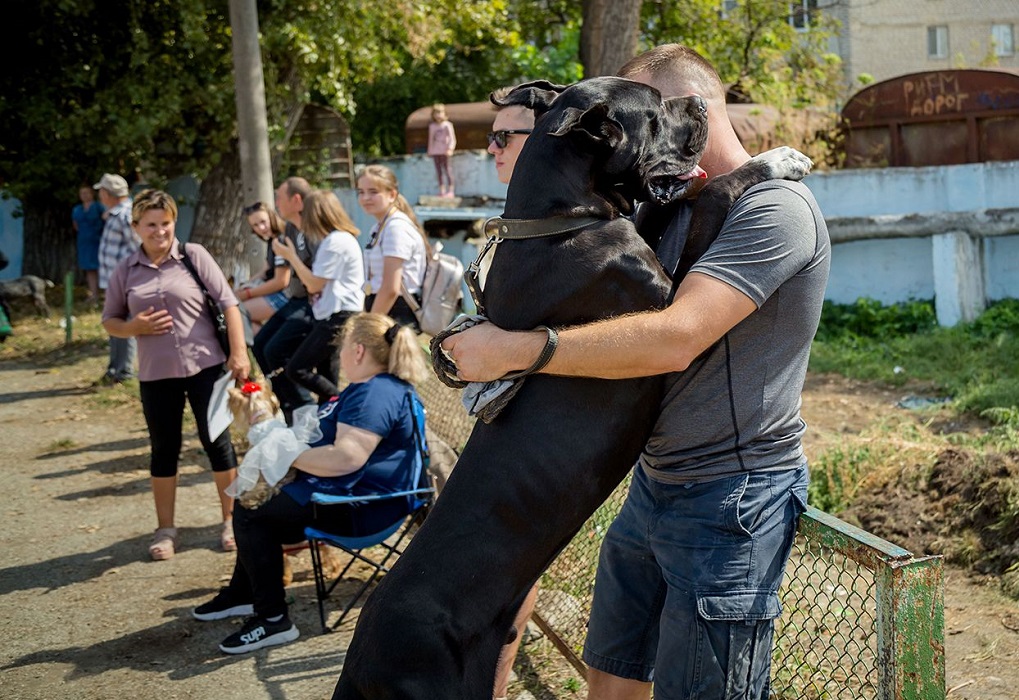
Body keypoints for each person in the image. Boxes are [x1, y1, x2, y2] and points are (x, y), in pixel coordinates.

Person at [441, 44, 831, 700]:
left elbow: (675, 337)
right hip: (654, 486)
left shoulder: (775, 210)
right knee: (612, 677)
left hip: (729, 499)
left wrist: (517, 350)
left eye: (638, 118)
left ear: (689, 113)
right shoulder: (669, 203)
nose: (623, 140)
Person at [191, 312, 429, 654]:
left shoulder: (375, 393)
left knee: (253, 515)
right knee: (251, 507)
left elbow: (347, 458)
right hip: (355, 497)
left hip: (361, 509)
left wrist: (284, 453)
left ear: (359, 351)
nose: (339, 355)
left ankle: (273, 620)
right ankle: (244, 595)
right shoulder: (374, 388)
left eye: (343, 346)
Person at [102, 189, 251, 561]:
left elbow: (229, 303)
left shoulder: (193, 256)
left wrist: (238, 352)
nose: (160, 231)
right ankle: (166, 528)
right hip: (156, 373)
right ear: (136, 227)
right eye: (150, 225)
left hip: (206, 366)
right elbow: (110, 322)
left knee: (217, 443)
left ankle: (230, 520)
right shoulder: (125, 271)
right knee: (164, 449)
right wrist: (133, 326)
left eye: (166, 223)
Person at [485, 87, 539, 700]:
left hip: (545, 448)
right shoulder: (518, 220)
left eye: (506, 136)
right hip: (509, 435)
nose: (492, 149)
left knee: (510, 587)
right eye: (491, 137)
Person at [275, 189, 365, 402]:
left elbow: (314, 284)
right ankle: (331, 418)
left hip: (338, 315)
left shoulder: (335, 241)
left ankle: (344, 401)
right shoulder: (335, 240)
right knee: (327, 374)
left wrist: (291, 257)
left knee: (297, 369)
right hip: (332, 313)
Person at [251, 176, 318, 425]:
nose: (276, 203)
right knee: (260, 345)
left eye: (279, 197)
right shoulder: (289, 229)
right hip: (297, 299)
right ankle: (287, 406)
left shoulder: (314, 230)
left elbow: (309, 279)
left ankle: (303, 406)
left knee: (275, 350)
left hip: (315, 304)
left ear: (296, 200)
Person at [357, 164, 428, 329]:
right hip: (385, 309)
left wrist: (369, 326)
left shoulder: (396, 228)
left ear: (392, 194)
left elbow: (390, 288)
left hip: (396, 312)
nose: (365, 197)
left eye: (373, 192)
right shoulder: (381, 226)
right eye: (361, 192)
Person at [94, 173, 138, 385]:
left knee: (126, 325)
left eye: (101, 191)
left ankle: (124, 371)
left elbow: (140, 246)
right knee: (114, 323)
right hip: (115, 282)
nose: (99, 196)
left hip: (126, 281)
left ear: (107, 194)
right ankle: (114, 368)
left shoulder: (126, 215)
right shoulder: (115, 214)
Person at [235, 201, 291, 336]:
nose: (261, 227)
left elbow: (281, 282)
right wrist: (242, 288)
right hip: (276, 293)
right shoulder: (272, 241)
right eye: (255, 225)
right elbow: (264, 271)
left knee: (237, 313)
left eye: (263, 221)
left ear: (271, 216)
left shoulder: (282, 239)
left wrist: (248, 293)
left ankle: (266, 348)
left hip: (286, 296)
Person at [71, 183, 105, 305]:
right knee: (89, 269)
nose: (84, 195)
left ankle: (107, 294)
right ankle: (93, 294)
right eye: (82, 193)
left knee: (102, 267)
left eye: (87, 193)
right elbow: (76, 225)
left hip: (98, 241)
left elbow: (105, 220)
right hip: (84, 242)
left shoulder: (99, 207)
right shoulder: (77, 209)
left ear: (92, 194)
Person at [428, 103, 457, 198]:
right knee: (438, 171)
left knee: (447, 170)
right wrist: (430, 150)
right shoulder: (432, 126)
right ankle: (442, 190)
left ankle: (451, 191)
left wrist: (450, 149)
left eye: (440, 112)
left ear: (444, 113)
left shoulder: (447, 125)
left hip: (445, 152)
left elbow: (452, 138)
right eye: (436, 113)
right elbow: (431, 139)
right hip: (436, 152)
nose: (438, 115)